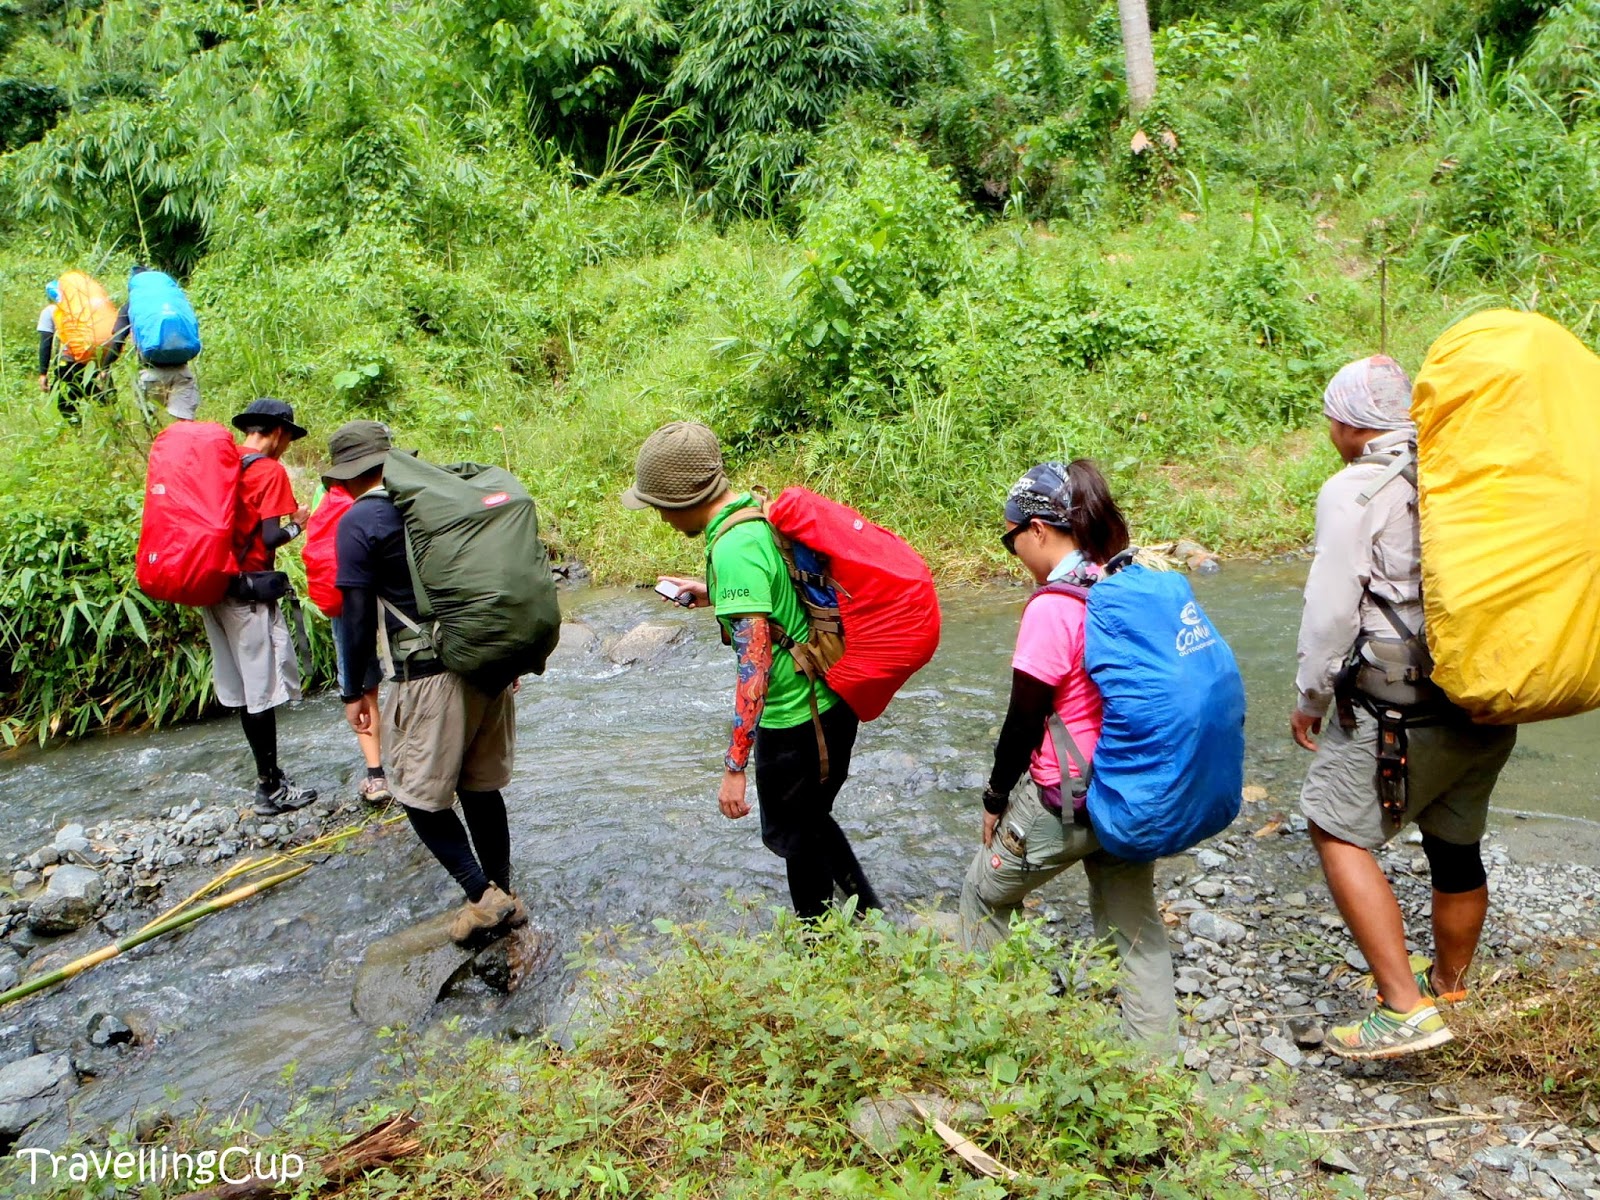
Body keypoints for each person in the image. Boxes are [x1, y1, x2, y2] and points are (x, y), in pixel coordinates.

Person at [1291, 356, 1517, 1060]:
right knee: (1455, 845)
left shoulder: (1357, 488)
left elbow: (1331, 611)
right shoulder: (1465, 471)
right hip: (1486, 701)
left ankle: (1404, 1007)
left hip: (1399, 716)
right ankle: (1449, 987)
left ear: (1351, 424)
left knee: (1335, 828)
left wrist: (1311, 696)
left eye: (1331, 416)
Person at [957, 461, 1177, 1051]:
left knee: (982, 895)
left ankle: (987, 1040)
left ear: (1035, 529)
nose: (1015, 555)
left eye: (1011, 541)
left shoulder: (1053, 608)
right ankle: (1154, 1068)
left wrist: (995, 799)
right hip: (1128, 789)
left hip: (1066, 798)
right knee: (1135, 927)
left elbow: (1023, 718)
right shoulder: (1115, 581)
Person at [625, 421, 881, 920]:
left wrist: (734, 767)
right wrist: (711, 591)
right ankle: (868, 920)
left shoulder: (732, 549)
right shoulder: (751, 512)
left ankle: (822, 947)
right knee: (811, 824)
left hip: (796, 719)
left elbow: (754, 667)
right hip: (829, 700)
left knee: (796, 839)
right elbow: (773, 598)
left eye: (656, 505)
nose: (658, 517)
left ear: (679, 499)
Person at [327, 421, 526, 944]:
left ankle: (482, 897)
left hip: (429, 676)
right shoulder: (436, 505)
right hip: (486, 665)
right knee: (480, 788)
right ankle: (506, 893)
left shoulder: (359, 522)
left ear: (346, 480)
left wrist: (354, 691)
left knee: (415, 795)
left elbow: (352, 614)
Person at [203, 398, 317, 816]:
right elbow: (270, 538)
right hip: (247, 594)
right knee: (262, 692)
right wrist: (298, 524)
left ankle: (269, 779)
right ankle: (269, 788)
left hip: (211, 585)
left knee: (240, 689)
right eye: (288, 436)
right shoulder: (268, 470)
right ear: (279, 432)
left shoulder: (223, 461)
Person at [103, 265, 201, 422]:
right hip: (182, 370)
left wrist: (105, 367)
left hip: (151, 373)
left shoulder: (133, 306)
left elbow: (118, 338)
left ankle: (154, 443)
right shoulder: (173, 300)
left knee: (150, 419)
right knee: (186, 424)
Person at [36, 279, 114, 423]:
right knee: (92, 391)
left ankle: (80, 432)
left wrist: (43, 372)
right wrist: (106, 365)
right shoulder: (88, 308)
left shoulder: (51, 311)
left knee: (64, 401)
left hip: (70, 361)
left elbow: (45, 343)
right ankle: (111, 416)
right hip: (95, 357)